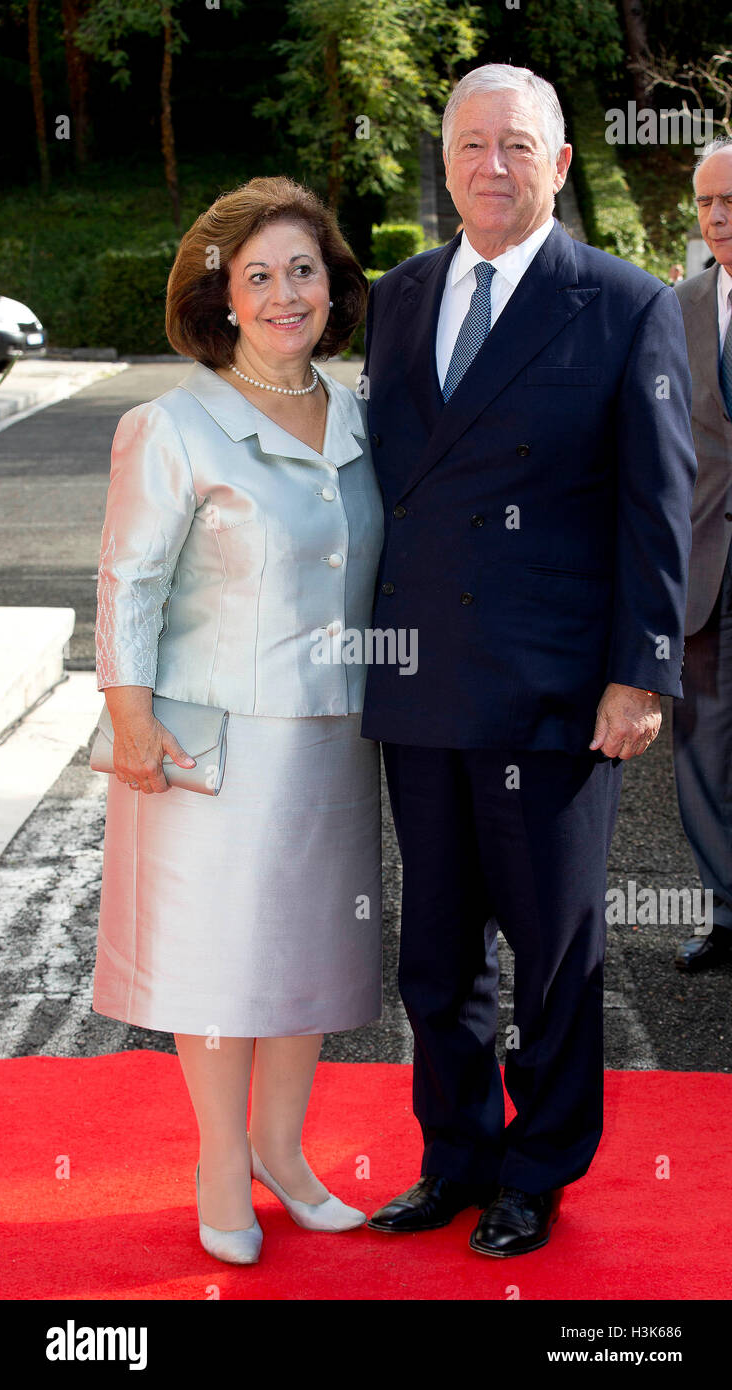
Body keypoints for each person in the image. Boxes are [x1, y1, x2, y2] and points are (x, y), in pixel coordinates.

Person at [359, 63, 697, 1257]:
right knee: (437, 949)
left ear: (558, 164)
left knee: (552, 952)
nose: (488, 165)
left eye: (515, 145)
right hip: (423, 680)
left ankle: (537, 1168)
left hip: (556, 688)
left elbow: (659, 501)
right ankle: (453, 1156)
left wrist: (640, 669)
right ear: (441, 161)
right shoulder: (398, 296)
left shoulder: (620, 302)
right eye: (467, 144)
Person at [91, 176, 384, 1263]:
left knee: (305, 954)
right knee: (217, 962)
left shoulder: (363, 413)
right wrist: (127, 716)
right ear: (219, 297)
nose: (281, 292)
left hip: (332, 731)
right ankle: (220, 1156)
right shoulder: (170, 425)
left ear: (331, 283)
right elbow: (128, 581)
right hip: (205, 741)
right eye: (255, 275)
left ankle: (282, 1147)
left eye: (300, 269)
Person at [672, 137, 732, 973]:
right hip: (702, 573)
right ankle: (727, 914)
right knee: (704, 754)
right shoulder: (674, 308)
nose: (719, 217)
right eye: (707, 204)